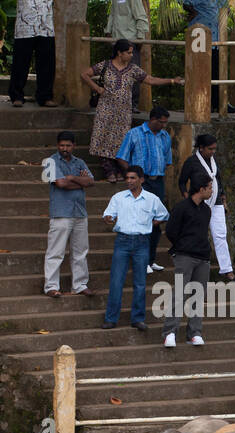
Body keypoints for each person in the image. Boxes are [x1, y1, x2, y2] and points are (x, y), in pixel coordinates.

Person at [82, 39, 180, 183]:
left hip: (123, 112)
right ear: (119, 53)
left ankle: (118, 169)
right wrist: (97, 88)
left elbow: (150, 80)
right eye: (128, 52)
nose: (131, 55)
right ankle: (108, 169)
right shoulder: (105, 65)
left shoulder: (133, 69)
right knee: (103, 138)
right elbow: (84, 74)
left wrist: (171, 81)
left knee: (121, 140)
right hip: (105, 110)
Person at [102, 165, 168, 332]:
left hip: (142, 241)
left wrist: (152, 224)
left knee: (140, 282)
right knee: (116, 281)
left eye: (133, 178)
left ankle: (138, 318)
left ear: (141, 180)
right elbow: (108, 214)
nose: (129, 181)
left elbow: (164, 215)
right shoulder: (118, 197)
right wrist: (109, 218)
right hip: (122, 240)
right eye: (127, 178)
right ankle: (111, 318)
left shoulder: (152, 199)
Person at [117, 107, 174, 274]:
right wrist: (133, 177)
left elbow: (167, 160)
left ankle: (151, 259)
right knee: (141, 221)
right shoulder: (134, 133)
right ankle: (140, 261)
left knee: (156, 221)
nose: (163, 125)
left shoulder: (165, 136)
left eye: (165, 122)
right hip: (142, 182)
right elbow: (121, 157)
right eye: (161, 122)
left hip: (158, 180)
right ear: (153, 119)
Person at [163, 172, 213, 348]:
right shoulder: (182, 207)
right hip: (184, 256)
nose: (212, 191)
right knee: (179, 293)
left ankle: (195, 332)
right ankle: (170, 331)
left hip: (203, 257)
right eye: (210, 187)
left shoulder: (206, 210)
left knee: (198, 295)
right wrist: (182, 246)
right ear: (201, 189)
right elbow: (171, 230)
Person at [43, 131, 95, 298]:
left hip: (80, 212)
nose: (64, 148)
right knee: (55, 252)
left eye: (68, 145)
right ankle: (51, 286)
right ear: (57, 145)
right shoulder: (50, 162)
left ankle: (80, 285)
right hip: (61, 213)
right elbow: (60, 183)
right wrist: (80, 181)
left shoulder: (80, 162)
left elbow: (91, 181)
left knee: (80, 251)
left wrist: (71, 177)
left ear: (74, 146)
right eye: (62, 145)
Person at [178, 133, 234, 279]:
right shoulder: (191, 162)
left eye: (214, 149)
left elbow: (219, 181)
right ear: (201, 148)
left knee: (220, 234)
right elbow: (182, 182)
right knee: (198, 233)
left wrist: (223, 199)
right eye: (210, 149)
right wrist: (187, 199)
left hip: (216, 202)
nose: (213, 152)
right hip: (198, 204)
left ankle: (227, 269)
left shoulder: (214, 161)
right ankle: (194, 263)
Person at [8, 0, 55, 108]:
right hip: (24, 27)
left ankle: (45, 97)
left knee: (47, 64)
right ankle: (17, 96)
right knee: (20, 63)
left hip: (46, 26)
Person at [107, 0, 151, 110]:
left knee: (132, 72)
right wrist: (108, 31)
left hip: (130, 39)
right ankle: (117, 102)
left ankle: (132, 104)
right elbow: (112, 15)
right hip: (116, 40)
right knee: (115, 72)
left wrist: (140, 38)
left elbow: (141, 17)